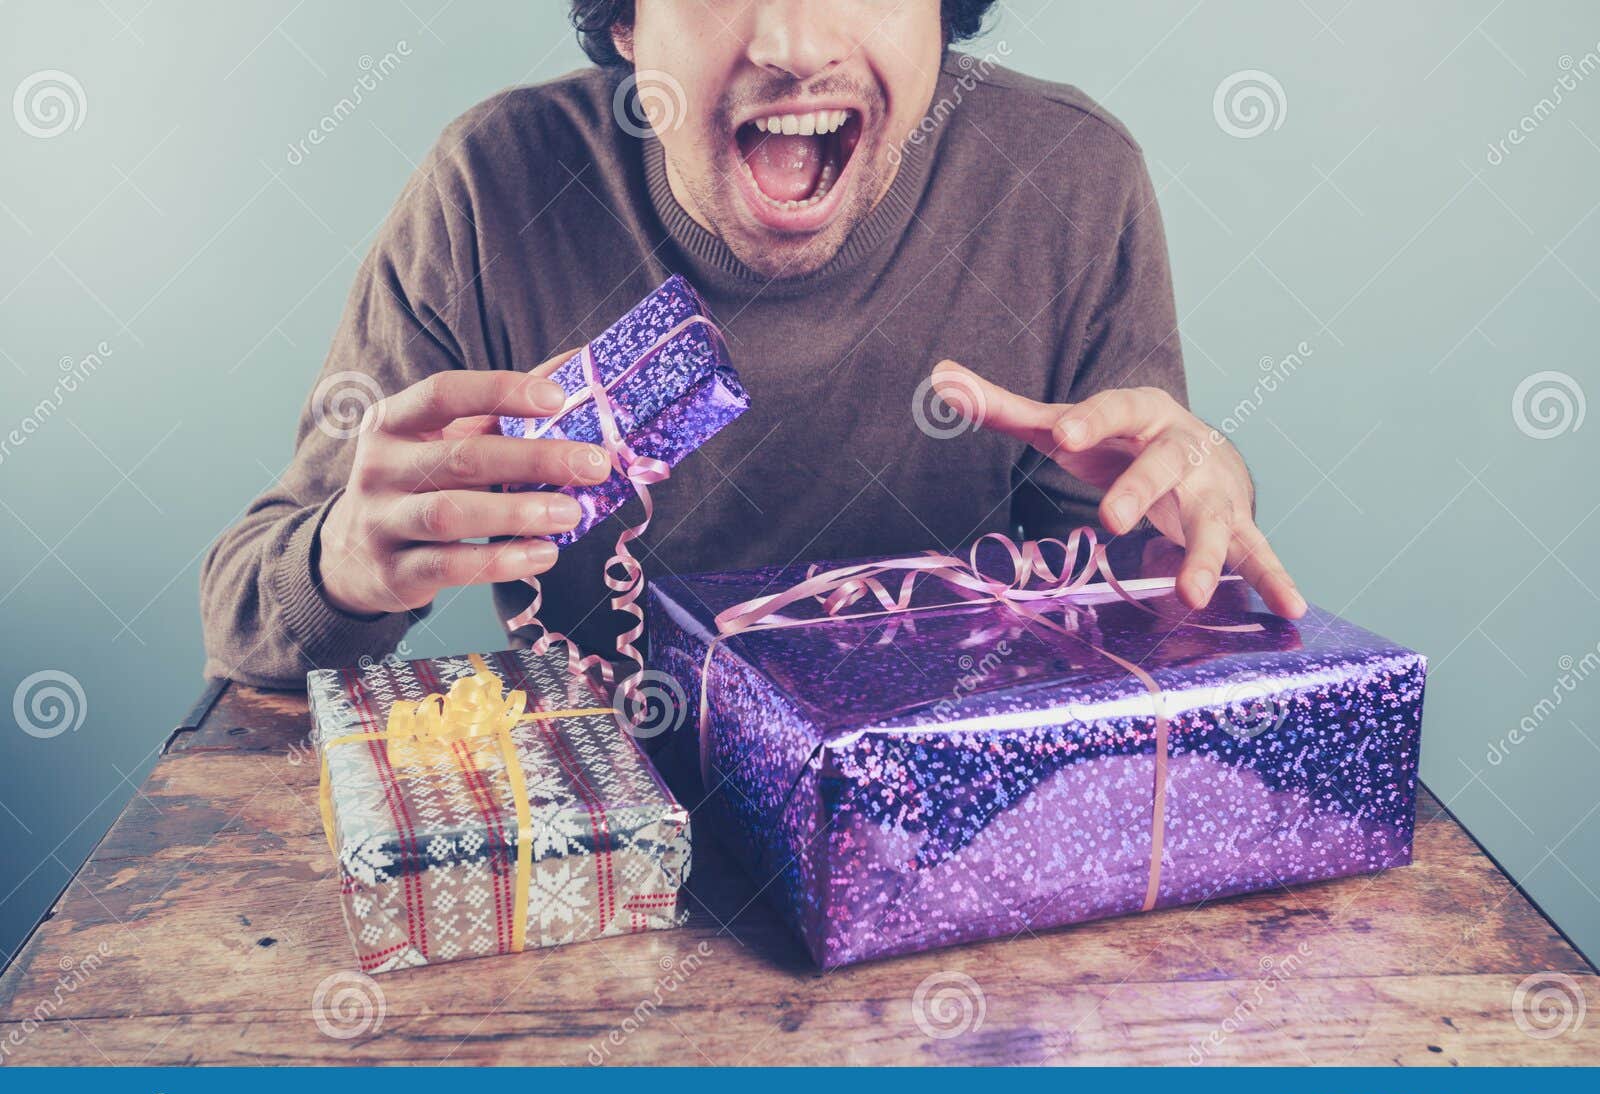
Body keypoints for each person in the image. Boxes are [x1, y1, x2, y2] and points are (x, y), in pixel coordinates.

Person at [200, 0, 1305, 689]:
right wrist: (344, 562)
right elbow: (244, 616)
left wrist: (1174, 560)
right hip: (604, 888)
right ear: (627, 21)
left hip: (933, 877)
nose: (789, 43)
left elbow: (1113, 634)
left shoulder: (1067, 183)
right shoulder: (492, 192)